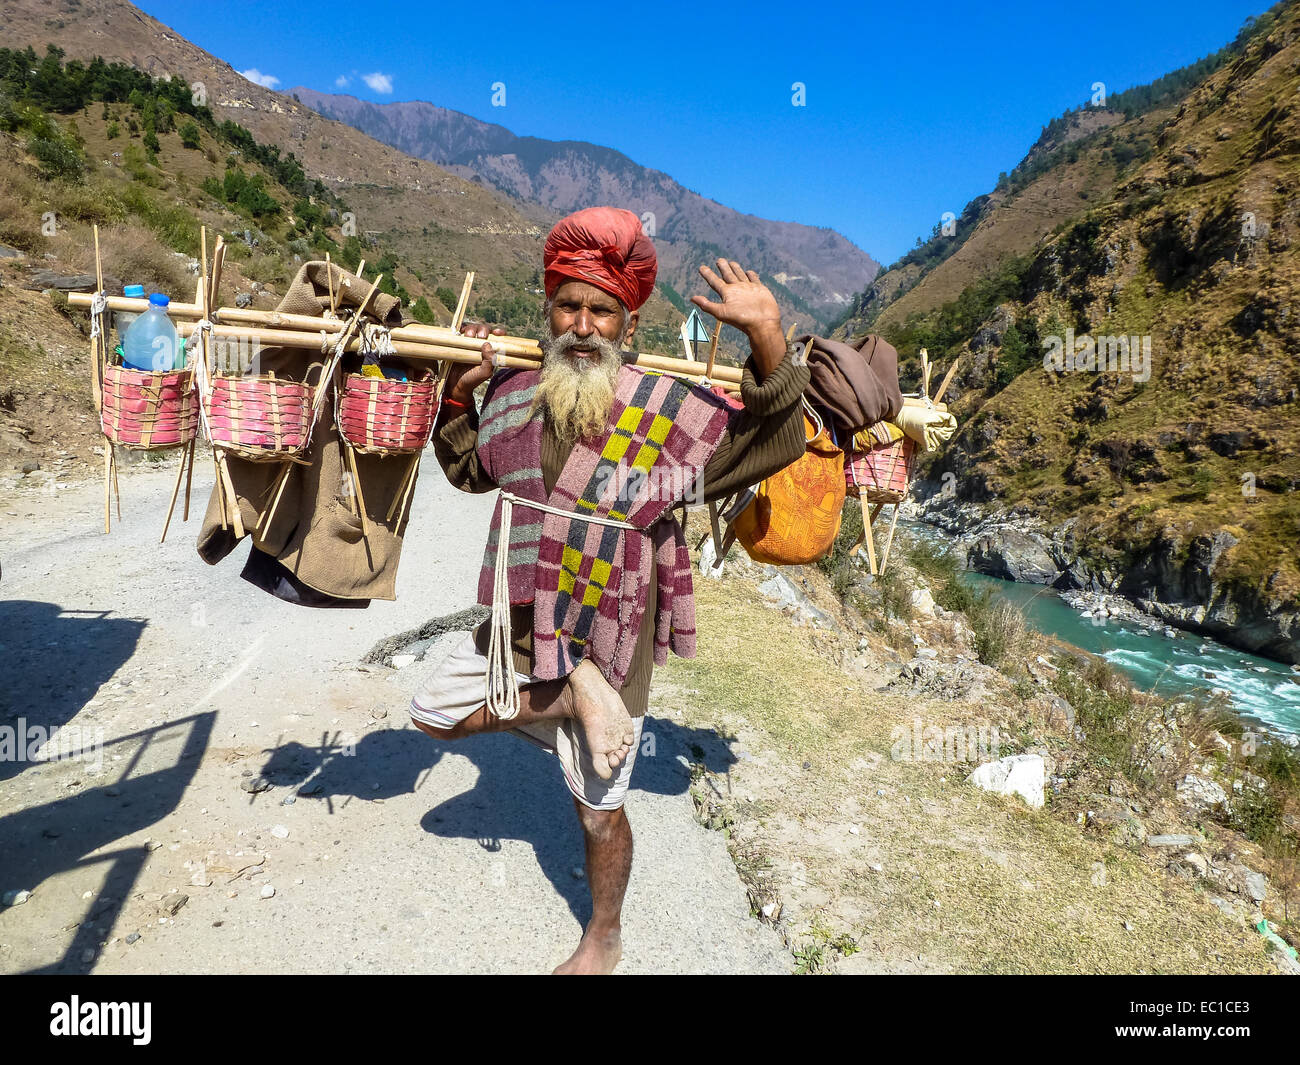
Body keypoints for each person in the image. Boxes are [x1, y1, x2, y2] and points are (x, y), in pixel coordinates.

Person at [410, 206, 809, 973]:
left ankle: (604, 936)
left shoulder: (666, 414)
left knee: (598, 813)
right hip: (523, 627)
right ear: (548, 309)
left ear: (627, 323)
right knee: (432, 712)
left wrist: (767, 339)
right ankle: (568, 695)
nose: (584, 325)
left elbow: (765, 439)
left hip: (609, 635)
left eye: (602, 310)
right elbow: (466, 466)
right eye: (570, 304)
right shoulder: (518, 393)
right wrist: (460, 396)